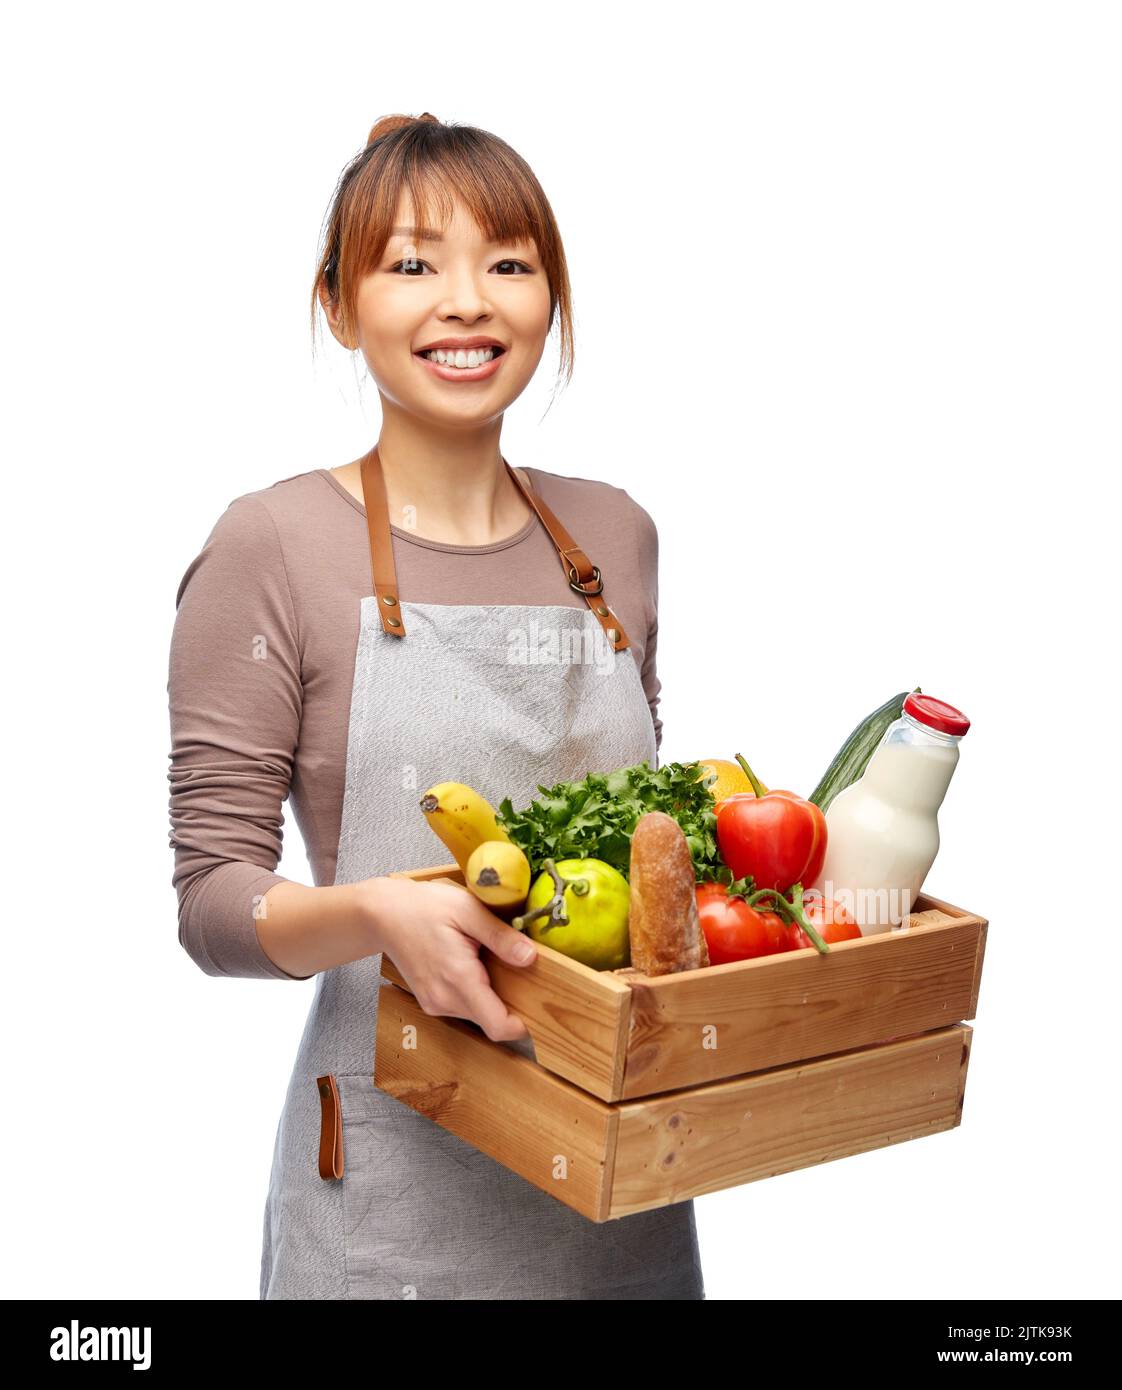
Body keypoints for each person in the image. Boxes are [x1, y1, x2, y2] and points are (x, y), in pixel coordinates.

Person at [167, 112, 705, 1300]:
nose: (468, 302)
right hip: (397, 1204)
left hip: (624, 1192)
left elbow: (646, 855)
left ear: (550, 297)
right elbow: (213, 903)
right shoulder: (272, 546)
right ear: (337, 304)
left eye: (509, 263)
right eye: (413, 265)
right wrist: (380, 916)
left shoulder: (615, 535)